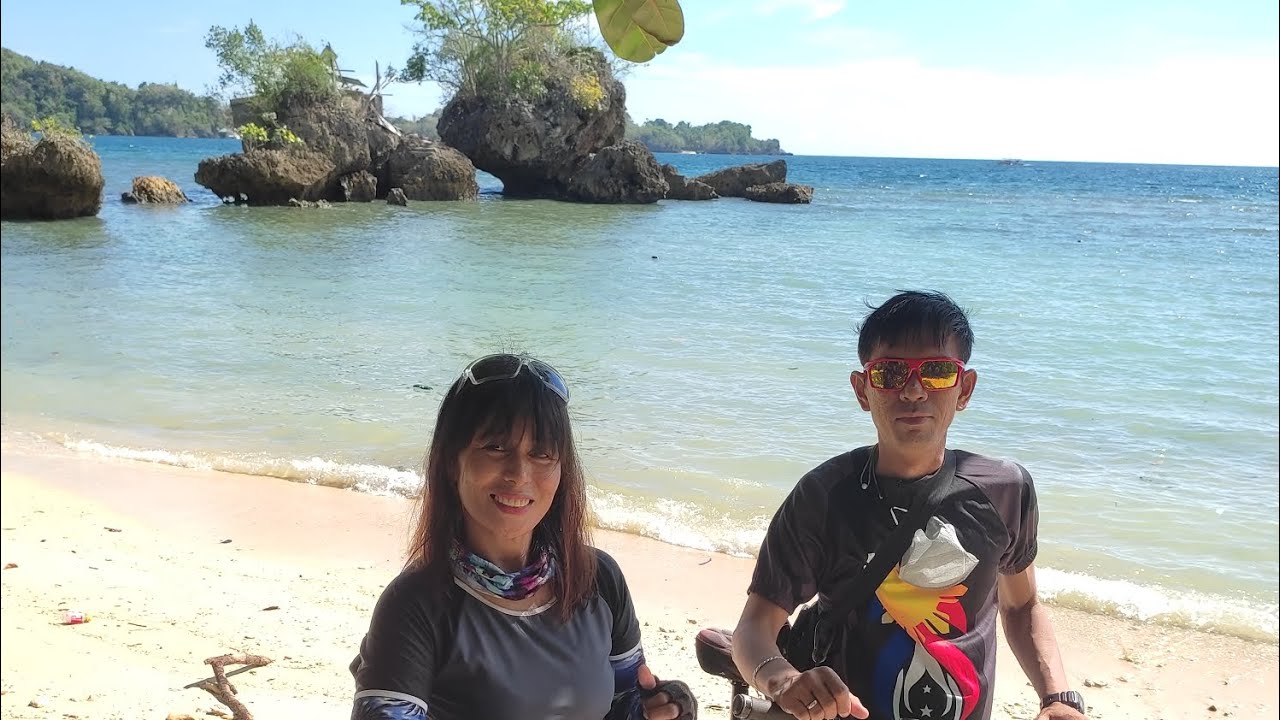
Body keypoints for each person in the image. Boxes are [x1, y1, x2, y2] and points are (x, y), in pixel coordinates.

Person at [728, 291, 1087, 720]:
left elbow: (1022, 606)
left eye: (937, 371)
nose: (914, 390)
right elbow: (754, 627)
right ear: (862, 390)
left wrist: (1057, 697)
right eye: (890, 373)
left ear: (965, 389)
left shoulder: (1005, 490)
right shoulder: (823, 496)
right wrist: (783, 680)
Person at [349, 353, 696, 720]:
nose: (519, 474)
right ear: (452, 461)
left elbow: (625, 703)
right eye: (496, 448)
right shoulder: (416, 605)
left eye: (542, 453)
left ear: (563, 470)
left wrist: (663, 707)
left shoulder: (598, 578)